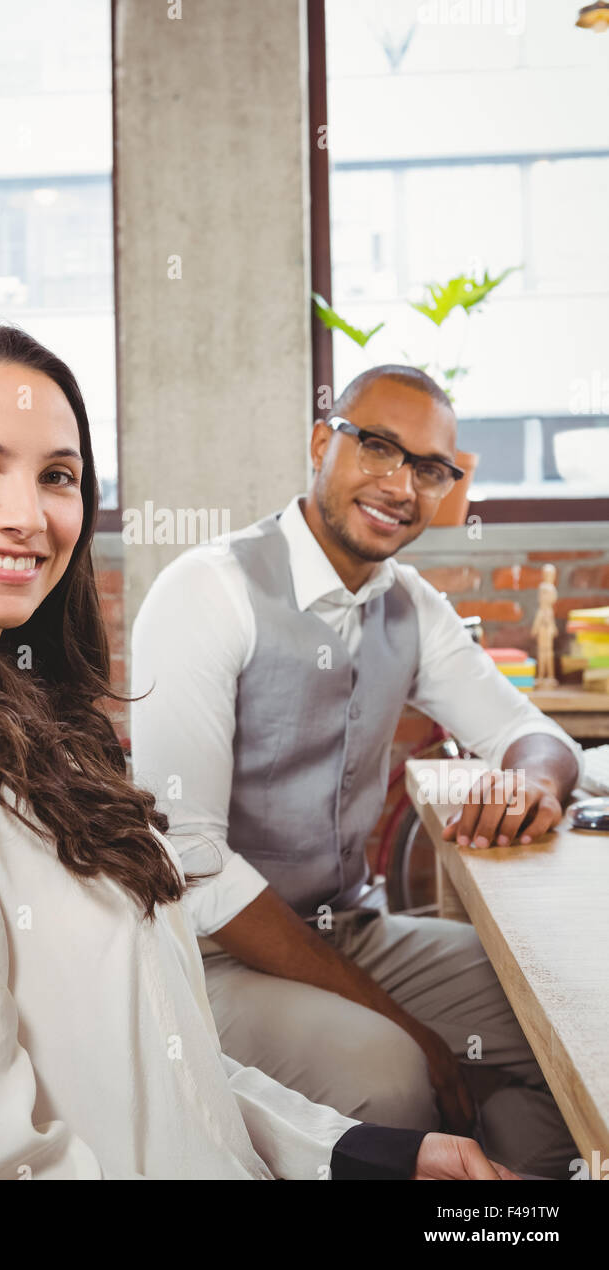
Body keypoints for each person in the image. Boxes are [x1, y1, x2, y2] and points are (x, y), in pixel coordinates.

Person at [0, 327, 513, 1182]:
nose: (26, 514)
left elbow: (171, 1075)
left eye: (57, 477)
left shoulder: (31, 723)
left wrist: (361, 1154)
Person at [130, 363, 584, 1180]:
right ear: (320, 443)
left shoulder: (410, 605)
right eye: (377, 447)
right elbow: (190, 863)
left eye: (430, 468)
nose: (400, 484)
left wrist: (536, 782)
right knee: (391, 1075)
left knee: (575, 1011)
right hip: (212, 960)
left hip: (351, 930)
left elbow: (531, 734)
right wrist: (413, 1029)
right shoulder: (207, 590)